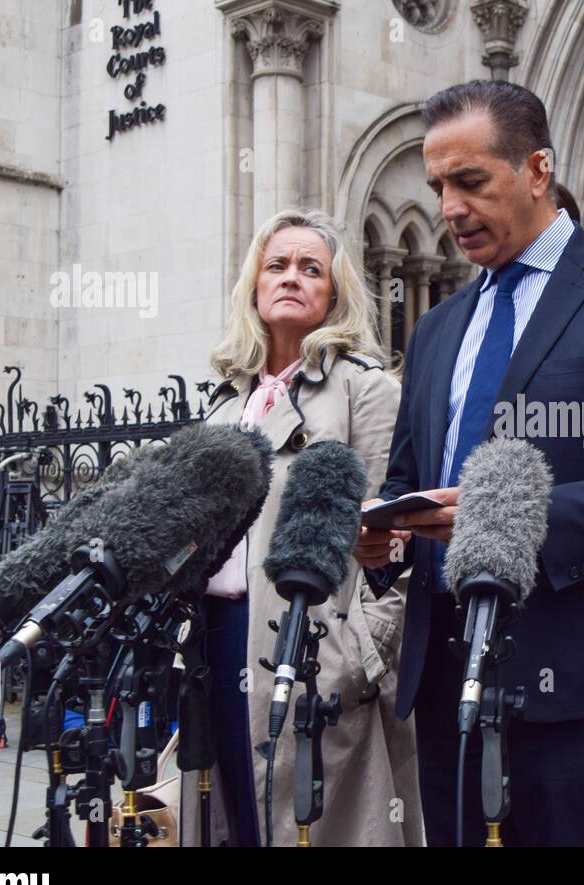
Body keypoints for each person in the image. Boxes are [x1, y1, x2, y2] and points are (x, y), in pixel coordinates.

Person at [354, 80, 584, 846]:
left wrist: (514, 523)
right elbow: (408, 477)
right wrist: (381, 541)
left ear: (536, 169)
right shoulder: (436, 331)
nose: (449, 207)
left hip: (583, 682)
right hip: (446, 679)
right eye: (437, 188)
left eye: (470, 181)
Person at [181, 208, 422, 847]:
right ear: (254, 287)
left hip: (314, 646)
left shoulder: (364, 390)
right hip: (221, 639)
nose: (291, 278)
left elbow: (395, 536)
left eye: (310, 269)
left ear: (335, 293)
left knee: (311, 822)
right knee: (238, 813)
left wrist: (360, 655)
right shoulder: (227, 404)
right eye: (277, 265)